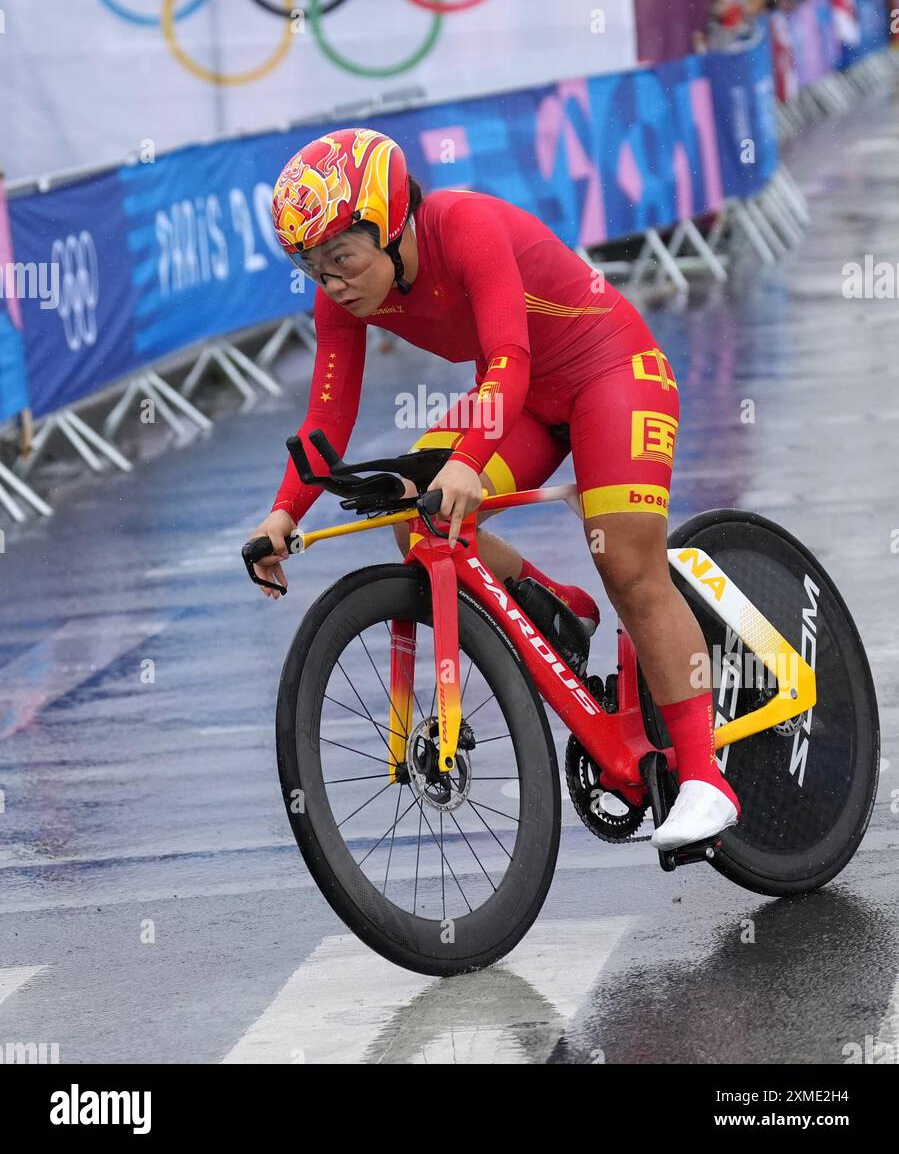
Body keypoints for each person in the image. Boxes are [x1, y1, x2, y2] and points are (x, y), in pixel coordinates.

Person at [247, 127, 741, 851]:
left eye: (342, 257)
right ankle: (556, 609)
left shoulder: (465, 225)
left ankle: (705, 778)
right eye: (313, 269)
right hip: (523, 404)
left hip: (611, 374)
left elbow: (510, 357)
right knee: (415, 512)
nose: (333, 282)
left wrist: (468, 459)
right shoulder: (341, 301)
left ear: (389, 223)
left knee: (627, 567)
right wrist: (282, 514)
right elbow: (326, 419)